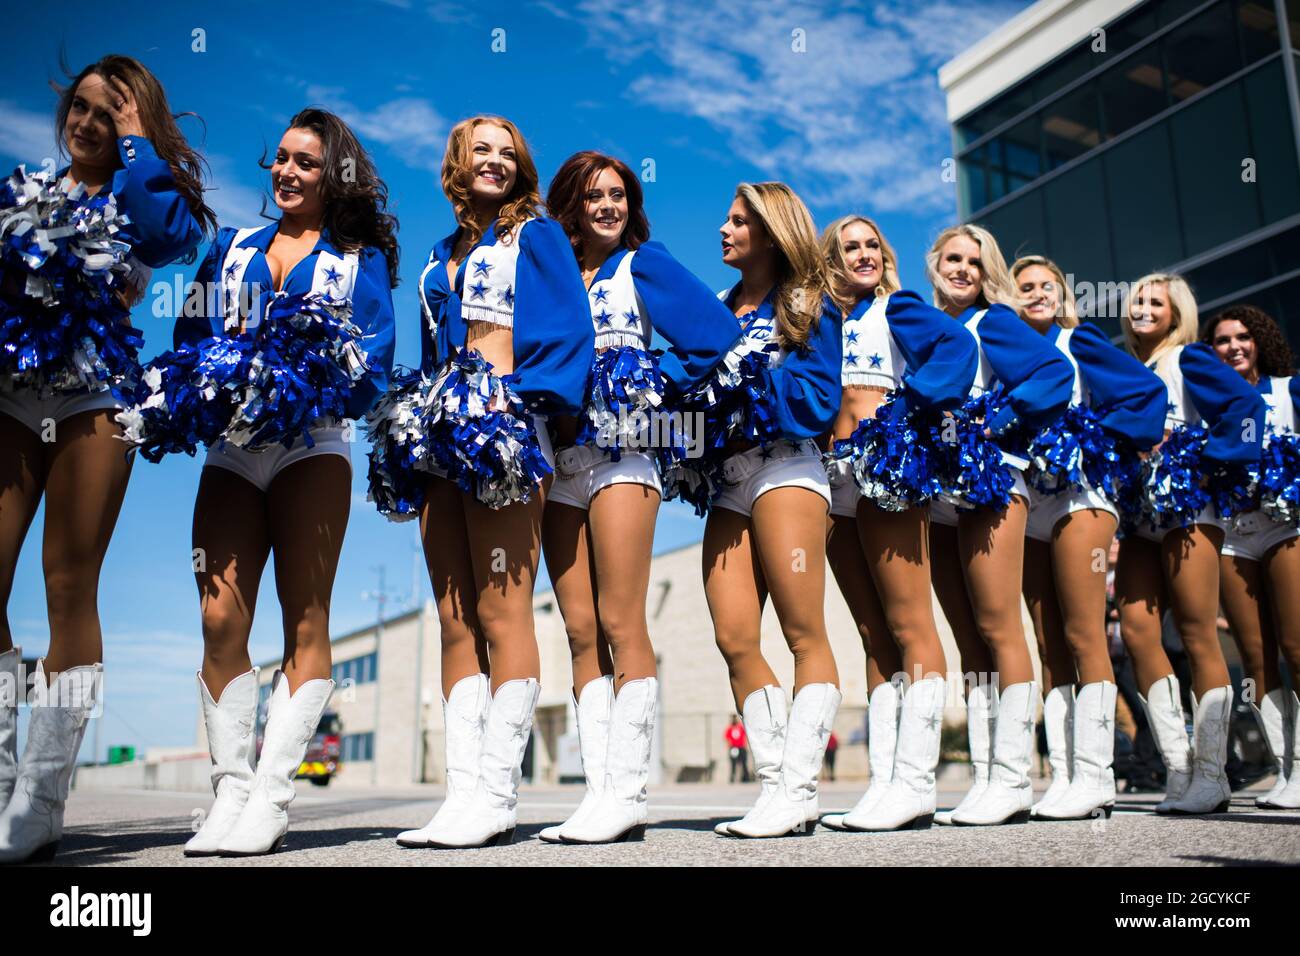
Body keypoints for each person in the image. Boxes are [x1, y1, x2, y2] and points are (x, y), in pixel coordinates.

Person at [121, 108, 397, 856]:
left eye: (305, 162)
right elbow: (193, 341)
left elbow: (373, 363)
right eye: (279, 158)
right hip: (235, 451)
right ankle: (230, 791)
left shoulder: (356, 258)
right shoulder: (233, 247)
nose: (287, 172)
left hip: (313, 445)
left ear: (331, 174)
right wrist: (208, 388)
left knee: (305, 619)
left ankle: (274, 797)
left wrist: (302, 382)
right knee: (218, 618)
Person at [0, 54, 211, 864]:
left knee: (66, 583)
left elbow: (164, 240)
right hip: (16, 389)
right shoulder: (28, 193)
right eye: (82, 109)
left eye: (108, 114)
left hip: (94, 395)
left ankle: (42, 801)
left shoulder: (144, 188)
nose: (88, 123)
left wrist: (136, 146)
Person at [368, 115, 593, 849]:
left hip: (503, 431)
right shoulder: (440, 254)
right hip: (441, 439)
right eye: (479, 151)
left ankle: (498, 795)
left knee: (503, 615)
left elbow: (568, 335)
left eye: (507, 152)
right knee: (454, 618)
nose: (493, 161)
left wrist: (518, 402)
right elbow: (435, 348)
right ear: (457, 167)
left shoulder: (539, 236)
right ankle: (461, 795)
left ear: (521, 167)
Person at [537, 151, 738, 844]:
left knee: (623, 621)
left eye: (618, 194)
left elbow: (716, 334)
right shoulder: (553, 272)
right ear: (571, 202)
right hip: (561, 460)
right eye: (593, 195)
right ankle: (598, 793)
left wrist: (650, 378)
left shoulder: (642, 265)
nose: (608, 206)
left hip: (626, 454)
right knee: (579, 629)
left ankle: (629, 792)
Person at [682, 183, 843, 839]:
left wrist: (748, 386)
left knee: (805, 633)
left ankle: (799, 787)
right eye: (724, 217)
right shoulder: (717, 309)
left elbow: (817, 400)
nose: (724, 229)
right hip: (728, 481)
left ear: (772, 233)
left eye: (739, 221)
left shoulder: (807, 303)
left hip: (787, 468)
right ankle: (779, 786)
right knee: (733, 637)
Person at [816, 215, 976, 833]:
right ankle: (886, 784)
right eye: (850, 247)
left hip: (888, 470)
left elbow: (958, 350)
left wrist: (906, 408)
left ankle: (916, 783)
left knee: (911, 622)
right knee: (871, 631)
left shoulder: (898, 307)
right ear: (832, 259)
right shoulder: (825, 320)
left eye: (873, 245)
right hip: (835, 480)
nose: (865, 254)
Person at [924, 225, 1074, 827]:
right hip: (937, 494)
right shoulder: (929, 325)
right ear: (934, 264)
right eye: (952, 259)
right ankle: (987, 776)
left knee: (998, 625)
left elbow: (1053, 377)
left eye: (974, 261)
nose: (962, 269)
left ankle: (1014, 779)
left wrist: (996, 419)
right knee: (967, 637)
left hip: (992, 482)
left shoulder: (994, 323)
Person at [1009, 255, 1165, 821]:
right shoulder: (1008, 352)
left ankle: (1098, 777)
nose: (1036, 294)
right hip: (1029, 504)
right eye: (1024, 287)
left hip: (1081, 495)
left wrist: (1092, 434)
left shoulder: (1081, 342)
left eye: (1046, 285)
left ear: (1061, 294)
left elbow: (1146, 395)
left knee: (1083, 633)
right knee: (1048, 640)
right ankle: (1067, 774)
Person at [1116, 274, 1267, 814]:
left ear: (1176, 312)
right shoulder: (1130, 366)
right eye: (1137, 301)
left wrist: (1209, 466)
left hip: (1189, 510)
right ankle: (1179, 768)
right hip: (1139, 516)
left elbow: (1247, 410)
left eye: (1156, 302)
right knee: (1135, 629)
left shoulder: (1191, 359)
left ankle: (1212, 773)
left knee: (1199, 630)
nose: (1144, 308)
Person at [1201, 304, 1300, 809]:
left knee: (1296, 645)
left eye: (1243, 337)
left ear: (1260, 340)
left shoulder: (1288, 391)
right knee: (1256, 657)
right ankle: (1286, 769)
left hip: (1288, 527)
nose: (1234, 346)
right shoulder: (1205, 403)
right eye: (1222, 340)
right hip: (1234, 535)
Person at [725, 715, 749, 783]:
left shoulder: (740, 727)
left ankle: (746, 778)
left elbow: (745, 736)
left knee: (744, 763)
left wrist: (745, 745)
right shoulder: (730, 728)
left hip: (741, 747)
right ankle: (732, 778)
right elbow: (727, 737)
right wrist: (729, 745)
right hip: (733, 748)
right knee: (733, 764)